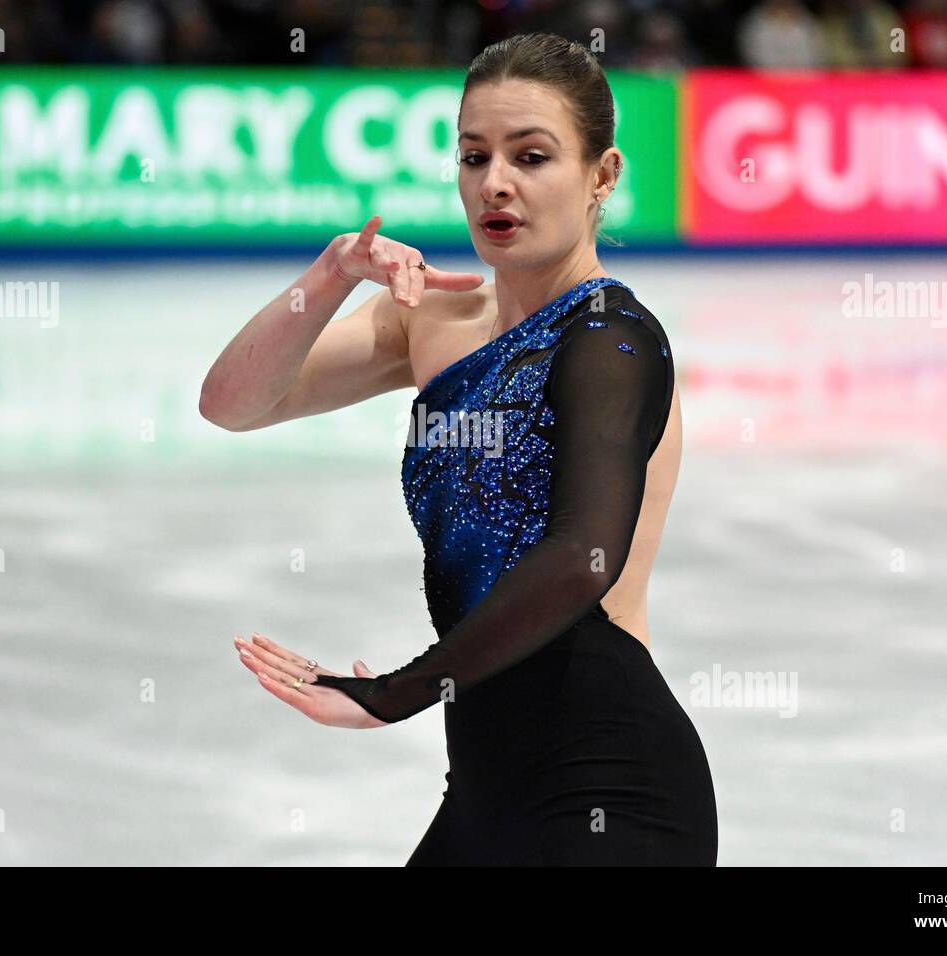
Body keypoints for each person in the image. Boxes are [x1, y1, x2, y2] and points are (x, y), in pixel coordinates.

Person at [200, 32, 718, 866]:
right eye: (474, 156)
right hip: (483, 789)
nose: (496, 183)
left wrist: (395, 693)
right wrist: (331, 275)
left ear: (603, 175)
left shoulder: (612, 339)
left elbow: (583, 555)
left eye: (533, 155)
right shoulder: (430, 322)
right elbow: (230, 404)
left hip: (610, 787)